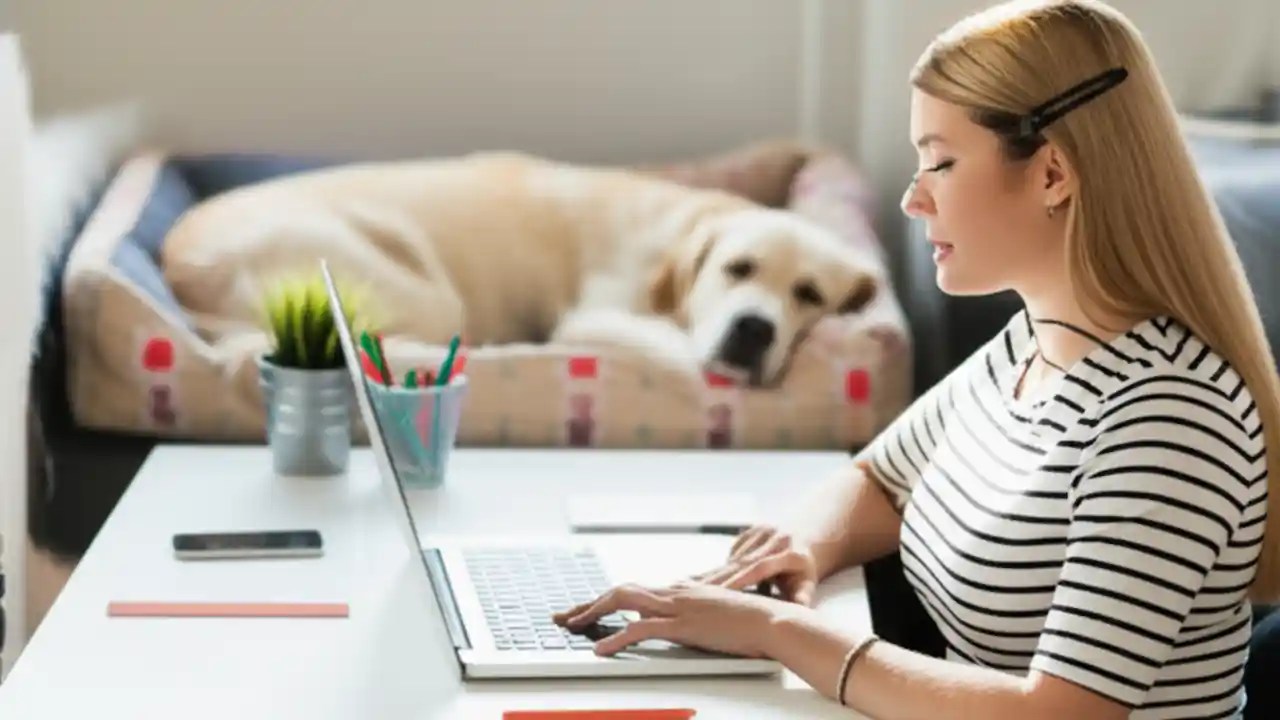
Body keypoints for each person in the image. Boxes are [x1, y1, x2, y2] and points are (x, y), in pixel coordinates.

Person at [553, 1, 1280, 717]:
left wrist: (776, 631)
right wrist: (799, 548)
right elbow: (878, 477)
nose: (912, 199)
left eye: (941, 162)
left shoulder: (1170, 416)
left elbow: (1063, 713)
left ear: (1053, 174)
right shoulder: (1037, 345)